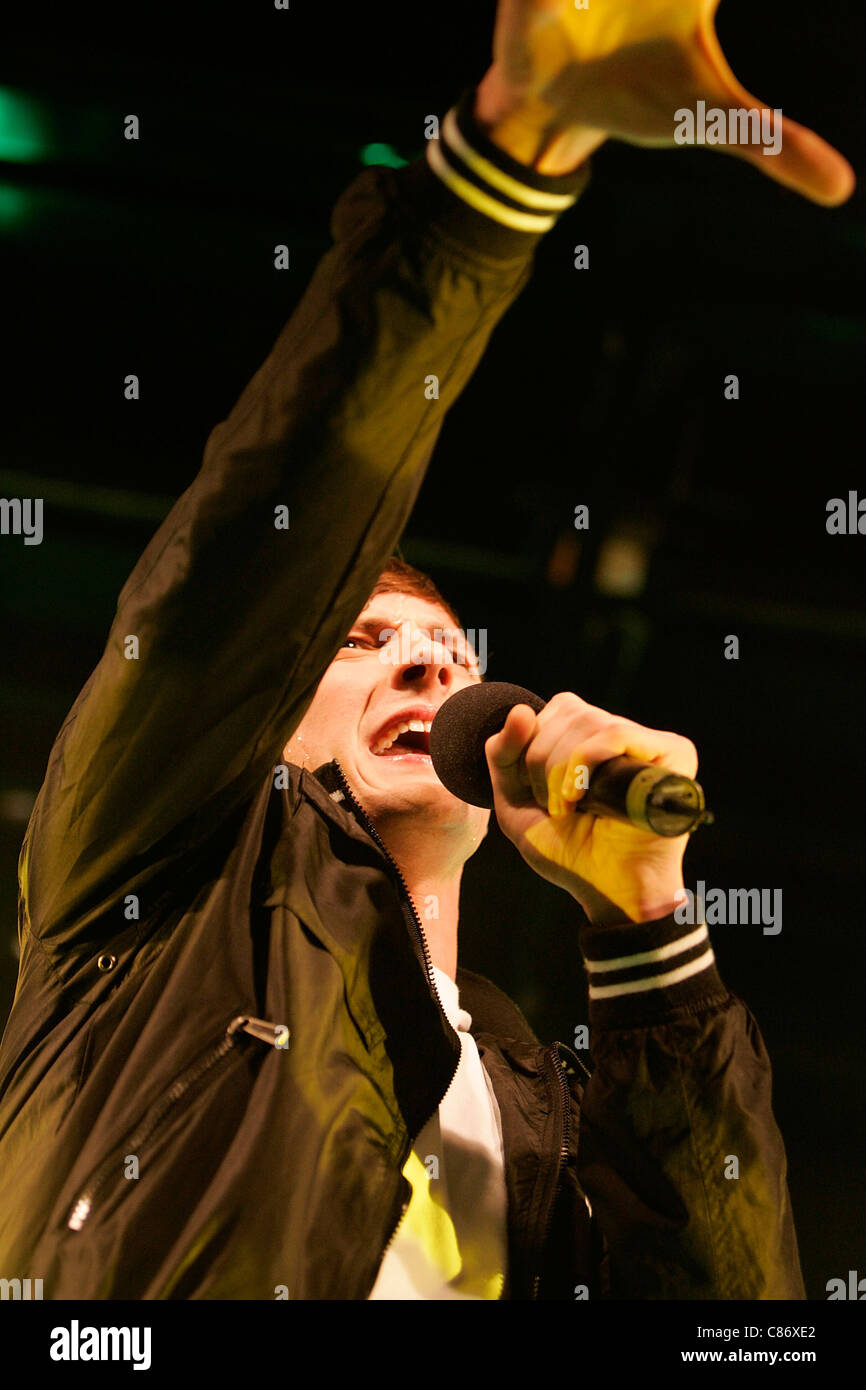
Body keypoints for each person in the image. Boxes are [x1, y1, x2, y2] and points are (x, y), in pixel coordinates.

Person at [0, 0, 852, 1299]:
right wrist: (499, 176)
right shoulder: (141, 913)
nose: (425, 668)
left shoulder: (546, 1109)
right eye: (357, 640)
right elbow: (249, 558)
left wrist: (648, 936)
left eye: (448, 653)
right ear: (260, 708)